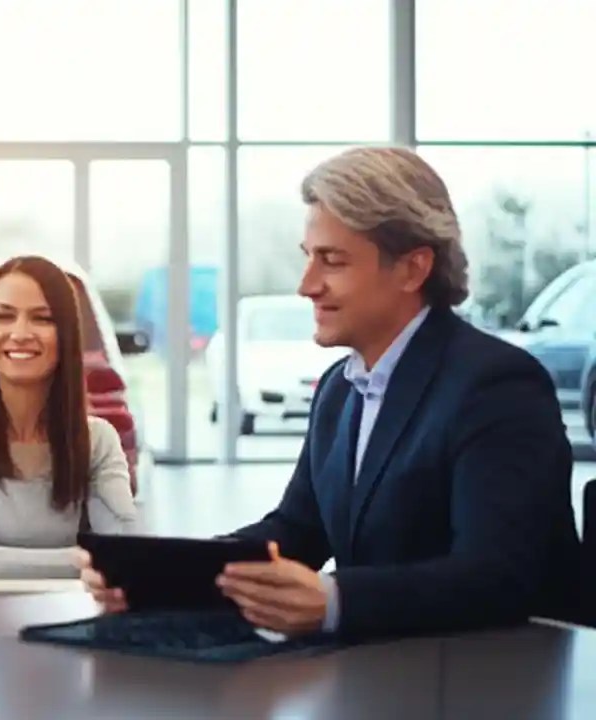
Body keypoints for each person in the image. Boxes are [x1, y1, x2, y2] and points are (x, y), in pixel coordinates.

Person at [78, 146, 580, 640]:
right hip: (387, 678)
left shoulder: (496, 386)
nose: (306, 285)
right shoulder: (341, 389)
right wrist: (162, 577)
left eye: (332, 261)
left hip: (493, 685)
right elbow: (297, 531)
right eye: (308, 258)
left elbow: (498, 575)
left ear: (412, 268)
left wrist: (336, 601)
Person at [0, 255, 139, 579]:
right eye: (4, 317)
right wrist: (84, 562)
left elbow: (126, 552)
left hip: (68, 621)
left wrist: (108, 562)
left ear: (66, 333)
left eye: (42, 318)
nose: (20, 333)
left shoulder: (97, 440)